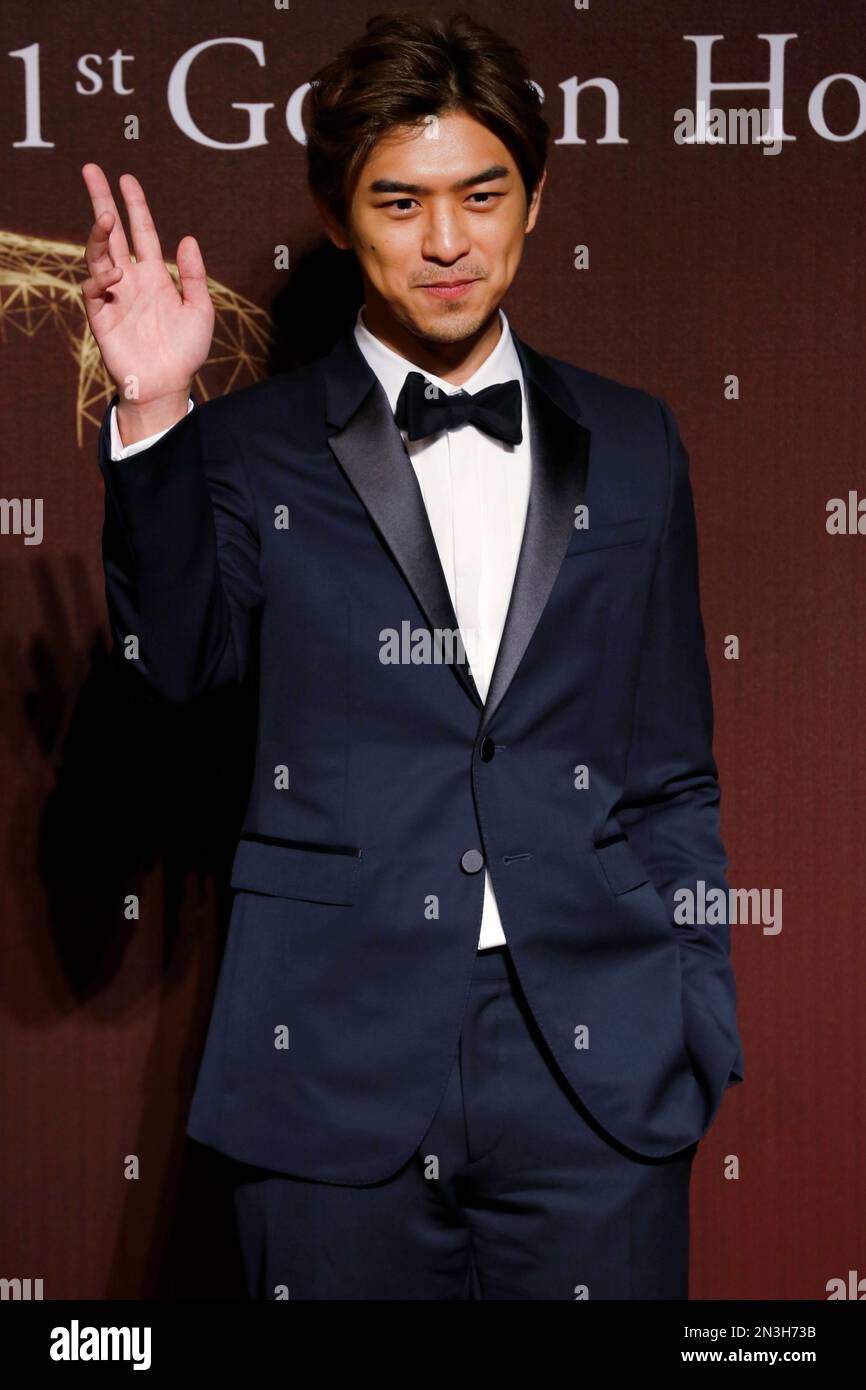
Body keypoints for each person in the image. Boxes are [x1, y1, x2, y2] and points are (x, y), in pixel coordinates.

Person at [80, 11, 744, 1300]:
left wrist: (693, 1008)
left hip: (595, 1074)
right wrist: (159, 410)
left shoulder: (638, 440)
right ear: (338, 215)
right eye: (401, 202)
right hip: (330, 1066)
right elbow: (173, 673)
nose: (447, 241)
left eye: (482, 195)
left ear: (535, 201)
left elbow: (672, 771)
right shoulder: (249, 446)